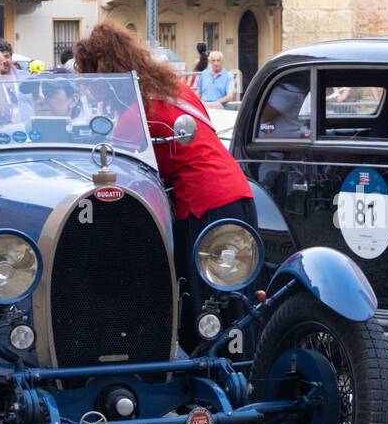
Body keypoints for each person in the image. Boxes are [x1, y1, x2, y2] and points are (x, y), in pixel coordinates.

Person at [71, 22, 254, 353]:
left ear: (104, 75)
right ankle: (243, 367)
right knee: (234, 295)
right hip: (236, 190)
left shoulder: (136, 115)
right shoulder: (176, 89)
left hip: (202, 201)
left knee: (200, 299)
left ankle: (207, 374)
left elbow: (117, 169)